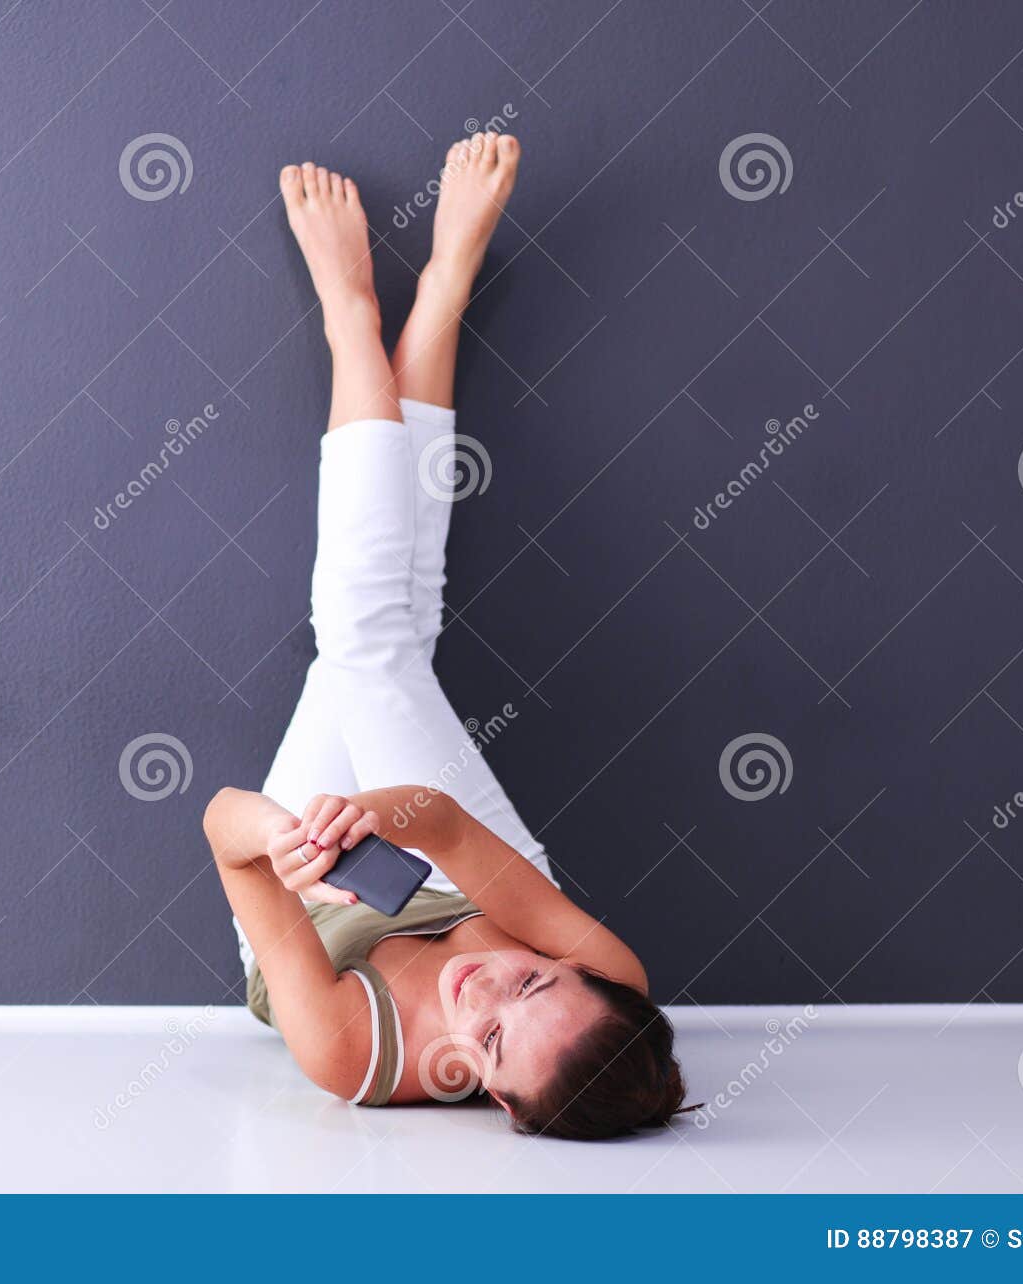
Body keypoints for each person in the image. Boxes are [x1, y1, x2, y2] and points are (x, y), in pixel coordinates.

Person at [203, 134, 687, 1139]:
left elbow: (223, 835)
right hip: (461, 861)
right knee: (376, 645)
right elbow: (453, 832)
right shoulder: (614, 981)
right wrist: (382, 812)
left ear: (494, 1097)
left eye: (498, 1041)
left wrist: (284, 836)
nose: (484, 991)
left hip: (304, 907)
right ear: (571, 972)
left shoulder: (349, 1056)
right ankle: (370, 317)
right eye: (531, 982)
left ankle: (404, 308)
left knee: (377, 642)